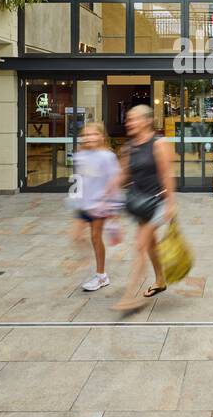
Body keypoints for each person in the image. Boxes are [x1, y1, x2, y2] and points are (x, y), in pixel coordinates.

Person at [114, 104, 176, 307]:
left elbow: (166, 174)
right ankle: (160, 280)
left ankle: (130, 297)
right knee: (150, 245)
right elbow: (123, 176)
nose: (129, 122)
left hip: (157, 202)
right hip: (140, 202)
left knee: (140, 244)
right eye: (128, 119)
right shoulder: (128, 147)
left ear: (148, 121)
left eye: (134, 119)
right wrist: (106, 191)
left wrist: (170, 204)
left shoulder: (159, 144)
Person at [71, 122, 120, 291]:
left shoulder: (107, 156)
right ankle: (90, 263)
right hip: (84, 204)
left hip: (100, 204)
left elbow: (114, 180)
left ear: (101, 137)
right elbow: (78, 179)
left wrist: (114, 208)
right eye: (85, 135)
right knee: (77, 236)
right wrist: (76, 202)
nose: (89, 138)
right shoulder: (80, 155)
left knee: (95, 237)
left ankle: (101, 275)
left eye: (93, 134)